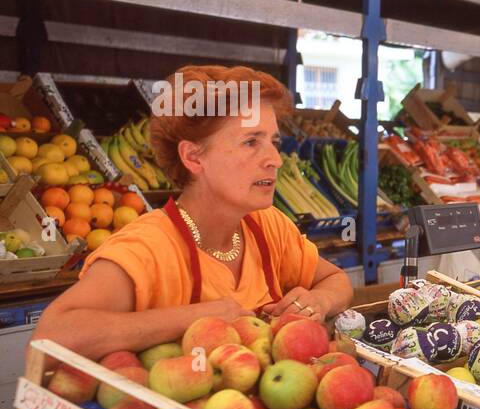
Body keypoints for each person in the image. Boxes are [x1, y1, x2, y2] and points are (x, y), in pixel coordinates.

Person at [34, 65, 355, 359]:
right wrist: (197, 317)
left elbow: (336, 280)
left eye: (273, 141)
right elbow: (52, 336)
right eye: (250, 142)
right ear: (193, 157)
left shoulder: (267, 227)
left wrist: (319, 302)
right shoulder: (149, 247)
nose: (275, 159)